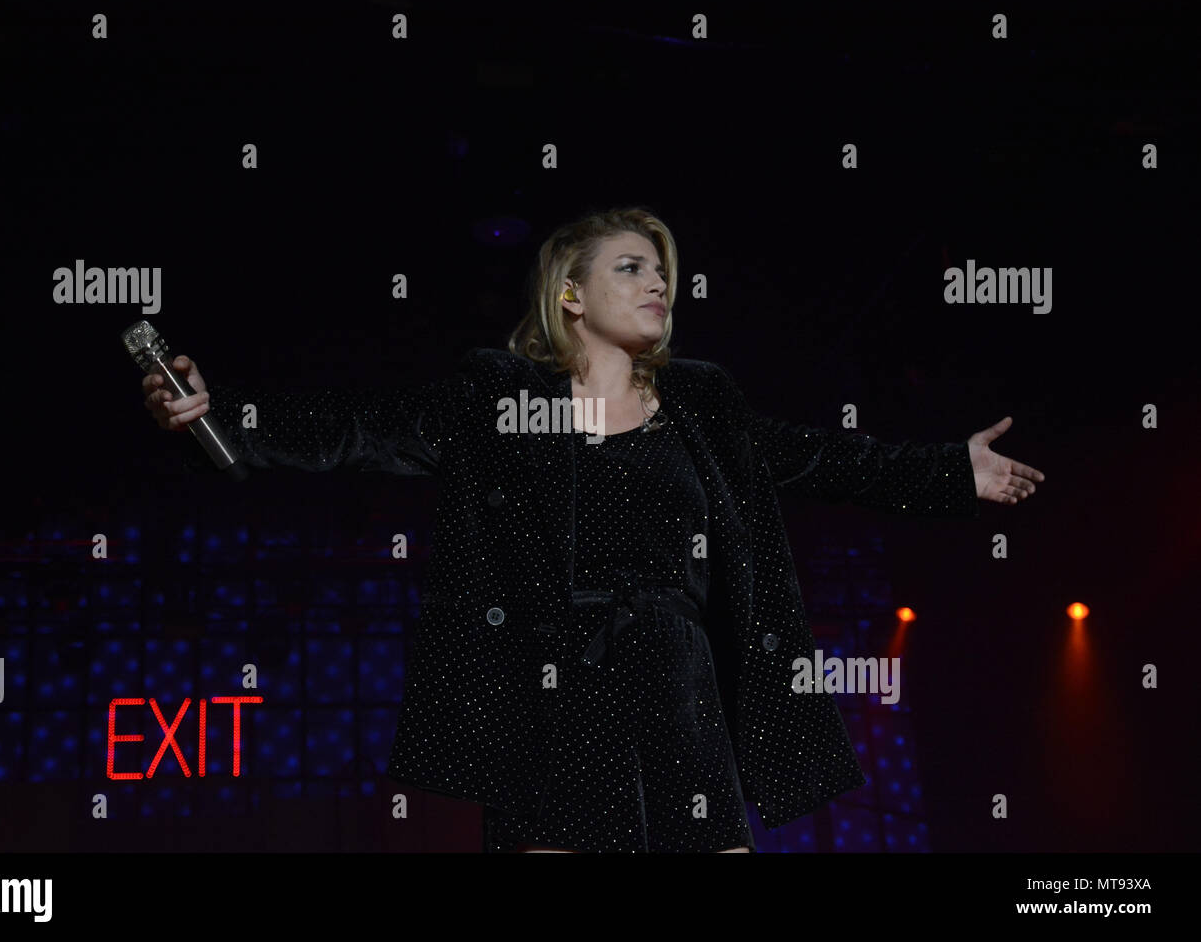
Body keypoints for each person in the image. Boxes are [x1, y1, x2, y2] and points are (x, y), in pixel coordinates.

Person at [141, 207, 1044, 853]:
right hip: (548, 686)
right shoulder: (497, 396)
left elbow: (815, 458)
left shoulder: (703, 405)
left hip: (683, 685)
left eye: (663, 273)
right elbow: (358, 431)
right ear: (569, 294)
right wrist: (229, 418)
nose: (657, 283)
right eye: (630, 267)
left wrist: (947, 471)